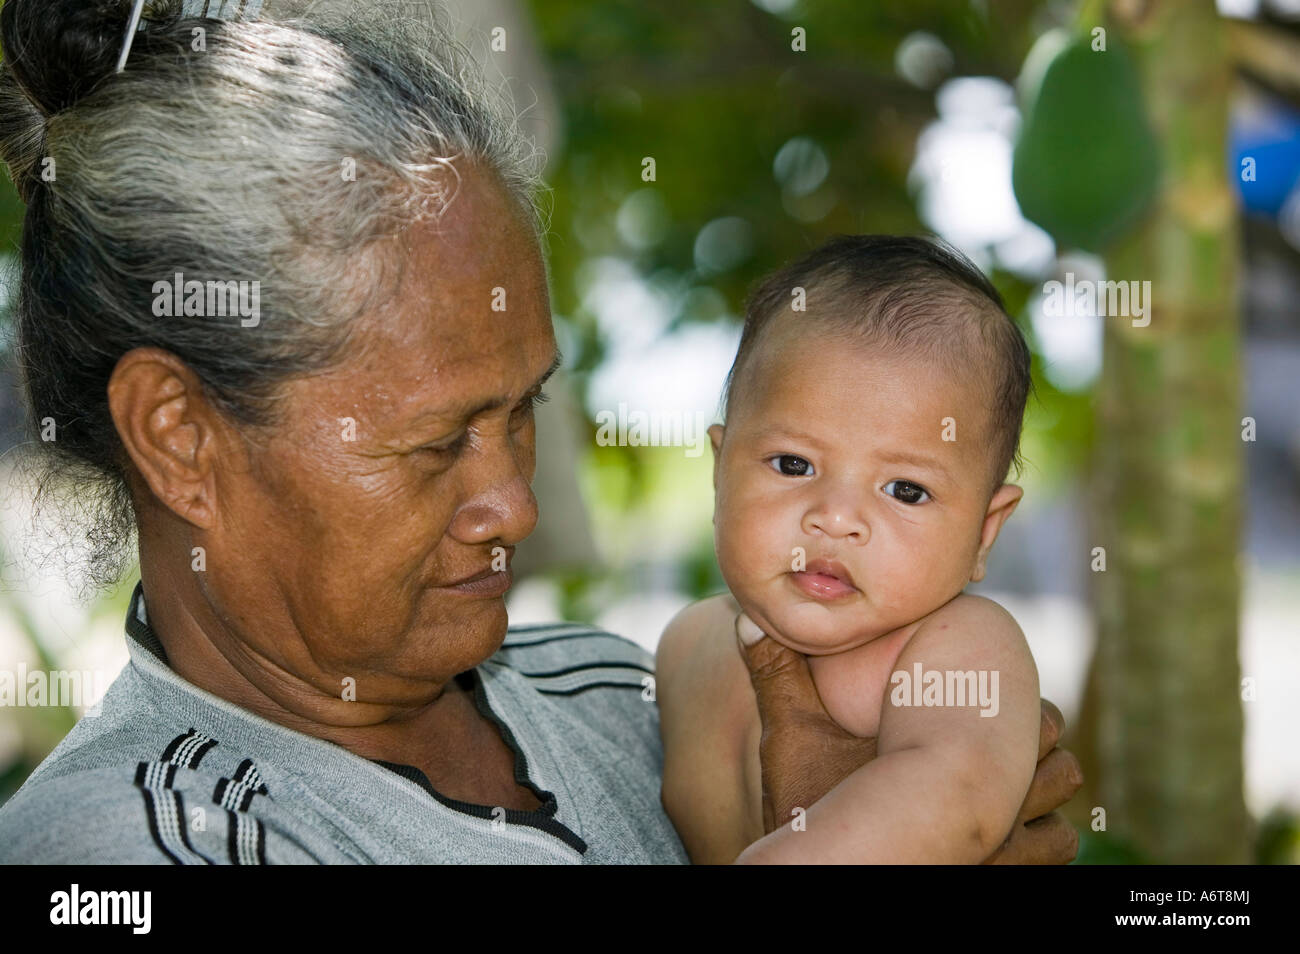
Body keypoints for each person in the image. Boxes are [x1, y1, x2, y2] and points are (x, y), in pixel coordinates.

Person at [0, 0, 1081, 863]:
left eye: (522, 415)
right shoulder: (133, 850)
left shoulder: (629, 694)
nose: (514, 505)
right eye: (435, 442)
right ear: (181, 438)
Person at [659, 235, 1042, 863]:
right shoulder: (684, 644)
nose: (836, 519)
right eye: (793, 463)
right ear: (720, 471)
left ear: (983, 533)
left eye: (906, 490)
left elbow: (957, 798)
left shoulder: (958, 642)